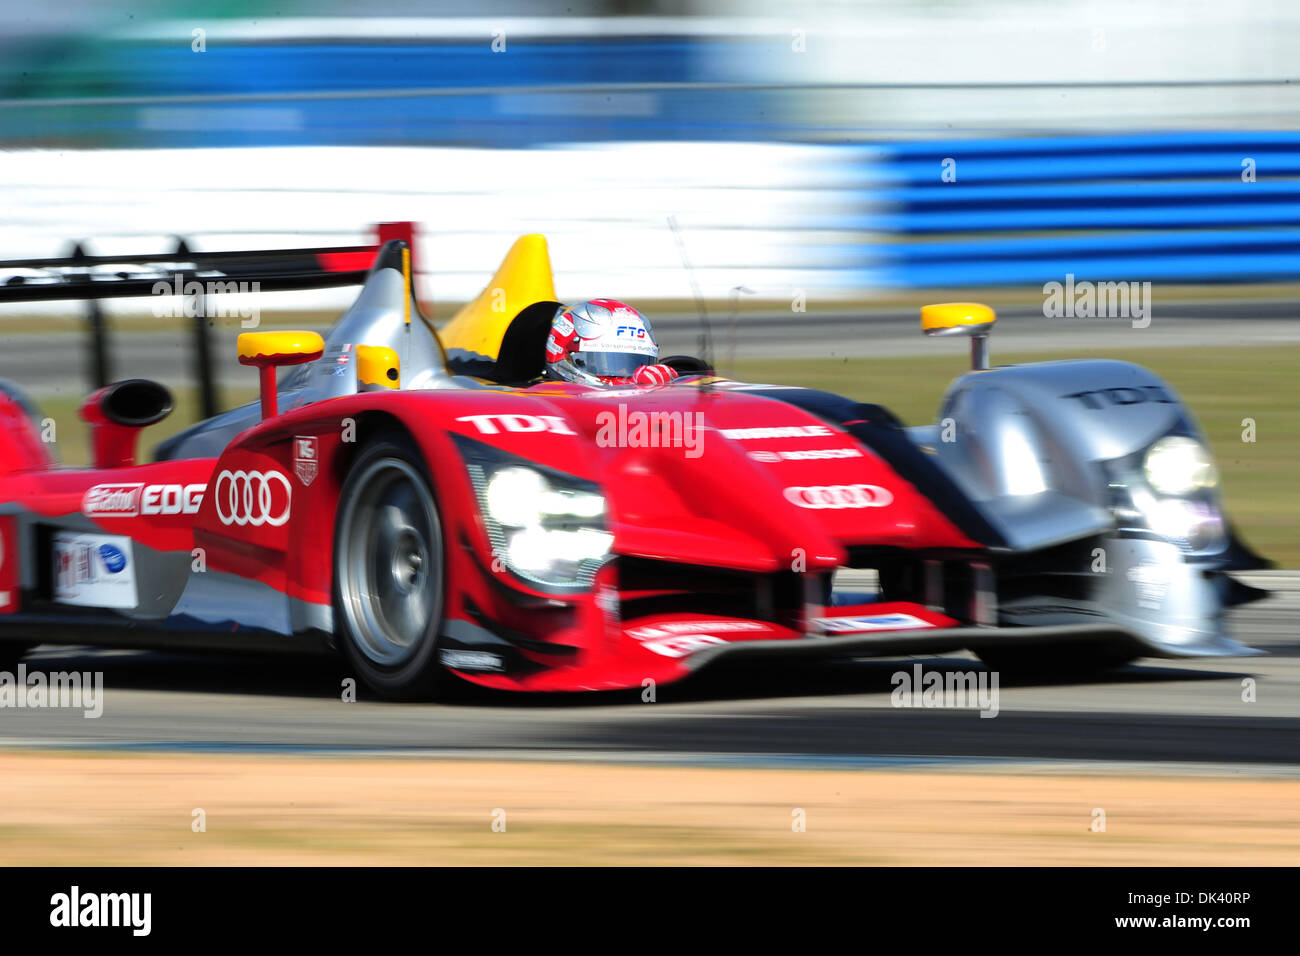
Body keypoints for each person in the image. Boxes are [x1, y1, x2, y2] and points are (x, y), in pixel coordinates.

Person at [543, 299, 680, 387]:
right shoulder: (537, 401)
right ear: (567, 356)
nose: (626, 375)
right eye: (608, 365)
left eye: (636, 363)